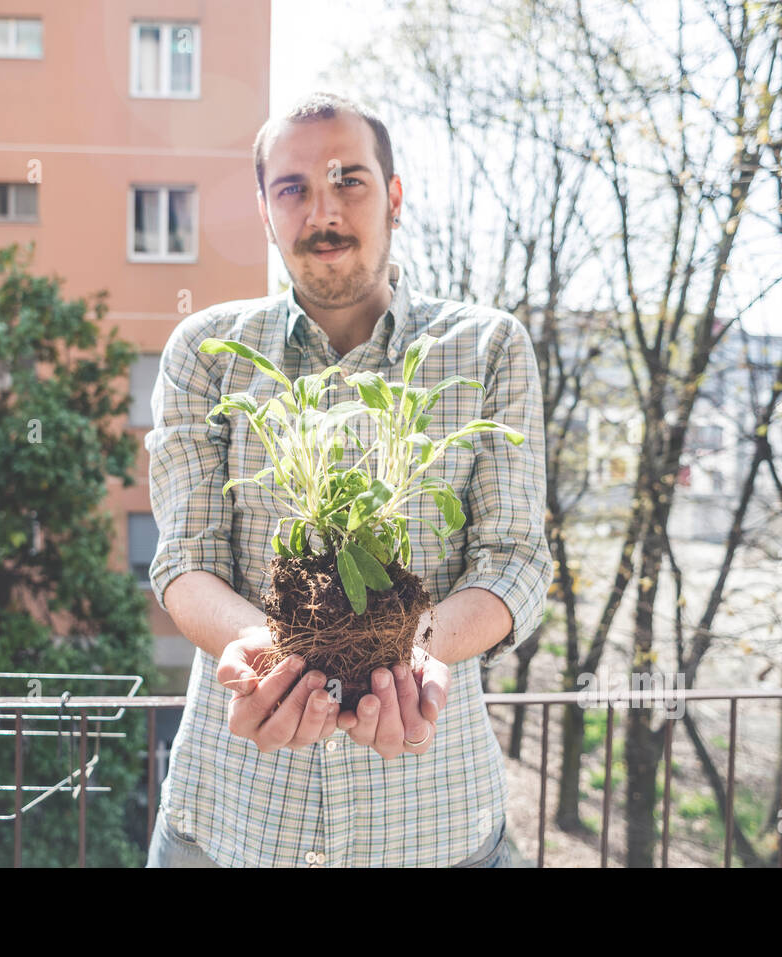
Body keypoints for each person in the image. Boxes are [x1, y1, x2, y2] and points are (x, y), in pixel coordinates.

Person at [144, 92, 554, 867]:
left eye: (349, 181)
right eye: (292, 188)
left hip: (434, 826)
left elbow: (515, 560)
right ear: (264, 208)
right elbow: (184, 560)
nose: (322, 211)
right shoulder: (206, 350)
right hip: (230, 821)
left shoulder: (488, 347)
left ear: (393, 196)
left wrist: (414, 648)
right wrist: (267, 647)